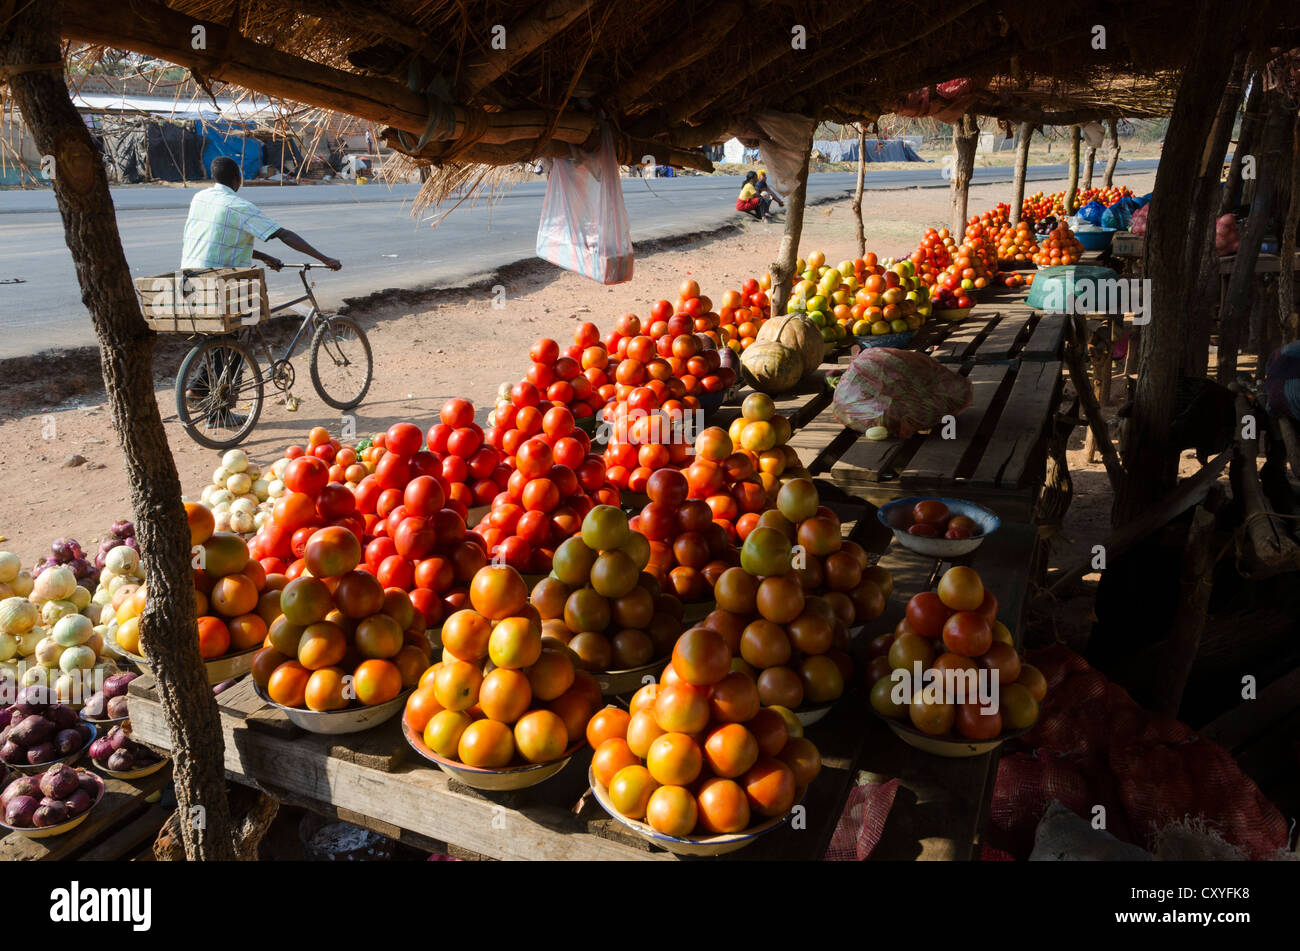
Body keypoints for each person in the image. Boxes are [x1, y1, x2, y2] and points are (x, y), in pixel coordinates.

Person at [181, 156, 341, 273]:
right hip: (219, 278)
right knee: (253, 309)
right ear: (238, 178)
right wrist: (325, 259)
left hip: (189, 273)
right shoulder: (238, 206)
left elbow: (224, 244)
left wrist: (266, 257)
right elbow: (283, 234)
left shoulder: (200, 198)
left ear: (213, 177)